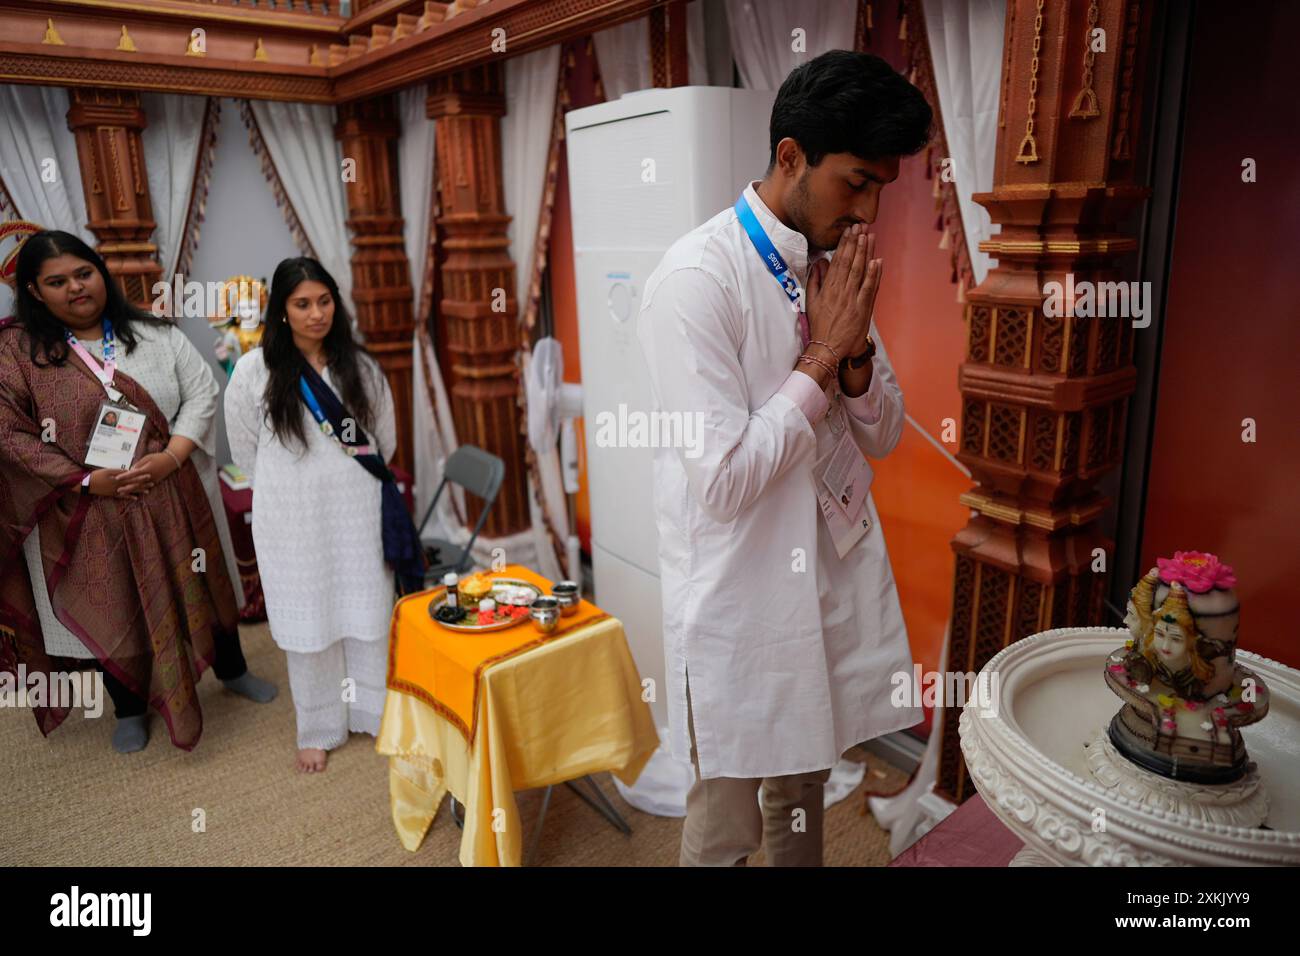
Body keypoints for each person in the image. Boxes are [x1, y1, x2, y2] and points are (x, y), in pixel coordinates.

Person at [636, 51, 933, 866]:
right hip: (739, 597)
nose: (869, 209)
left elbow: (882, 434)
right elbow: (726, 480)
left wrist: (857, 352)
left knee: (802, 793)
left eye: (882, 189)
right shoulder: (697, 281)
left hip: (824, 579)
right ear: (791, 156)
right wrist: (820, 359)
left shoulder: (831, 263)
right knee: (727, 820)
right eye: (857, 182)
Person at [0, 230, 276, 755]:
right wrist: (83, 479)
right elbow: (7, 432)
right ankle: (129, 706)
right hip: (86, 508)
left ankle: (232, 669)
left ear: (101, 273)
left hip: (172, 489)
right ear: (34, 291)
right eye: (57, 282)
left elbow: (200, 392)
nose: (76, 288)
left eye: (84, 273)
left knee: (203, 583)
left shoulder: (151, 333)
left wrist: (170, 457)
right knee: (117, 598)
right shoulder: (20, 355)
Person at [224, 257, 421, 774]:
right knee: (308, 620)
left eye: (325, 301)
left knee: (368, 615)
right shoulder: (253, 371)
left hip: (356, 512)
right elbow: (245, 450)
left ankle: (376, 713)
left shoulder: (359, 365)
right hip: (292, 518)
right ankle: (317, 726)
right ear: (282, 311)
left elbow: (384, 438)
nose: (316, 314)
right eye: (302, 304)